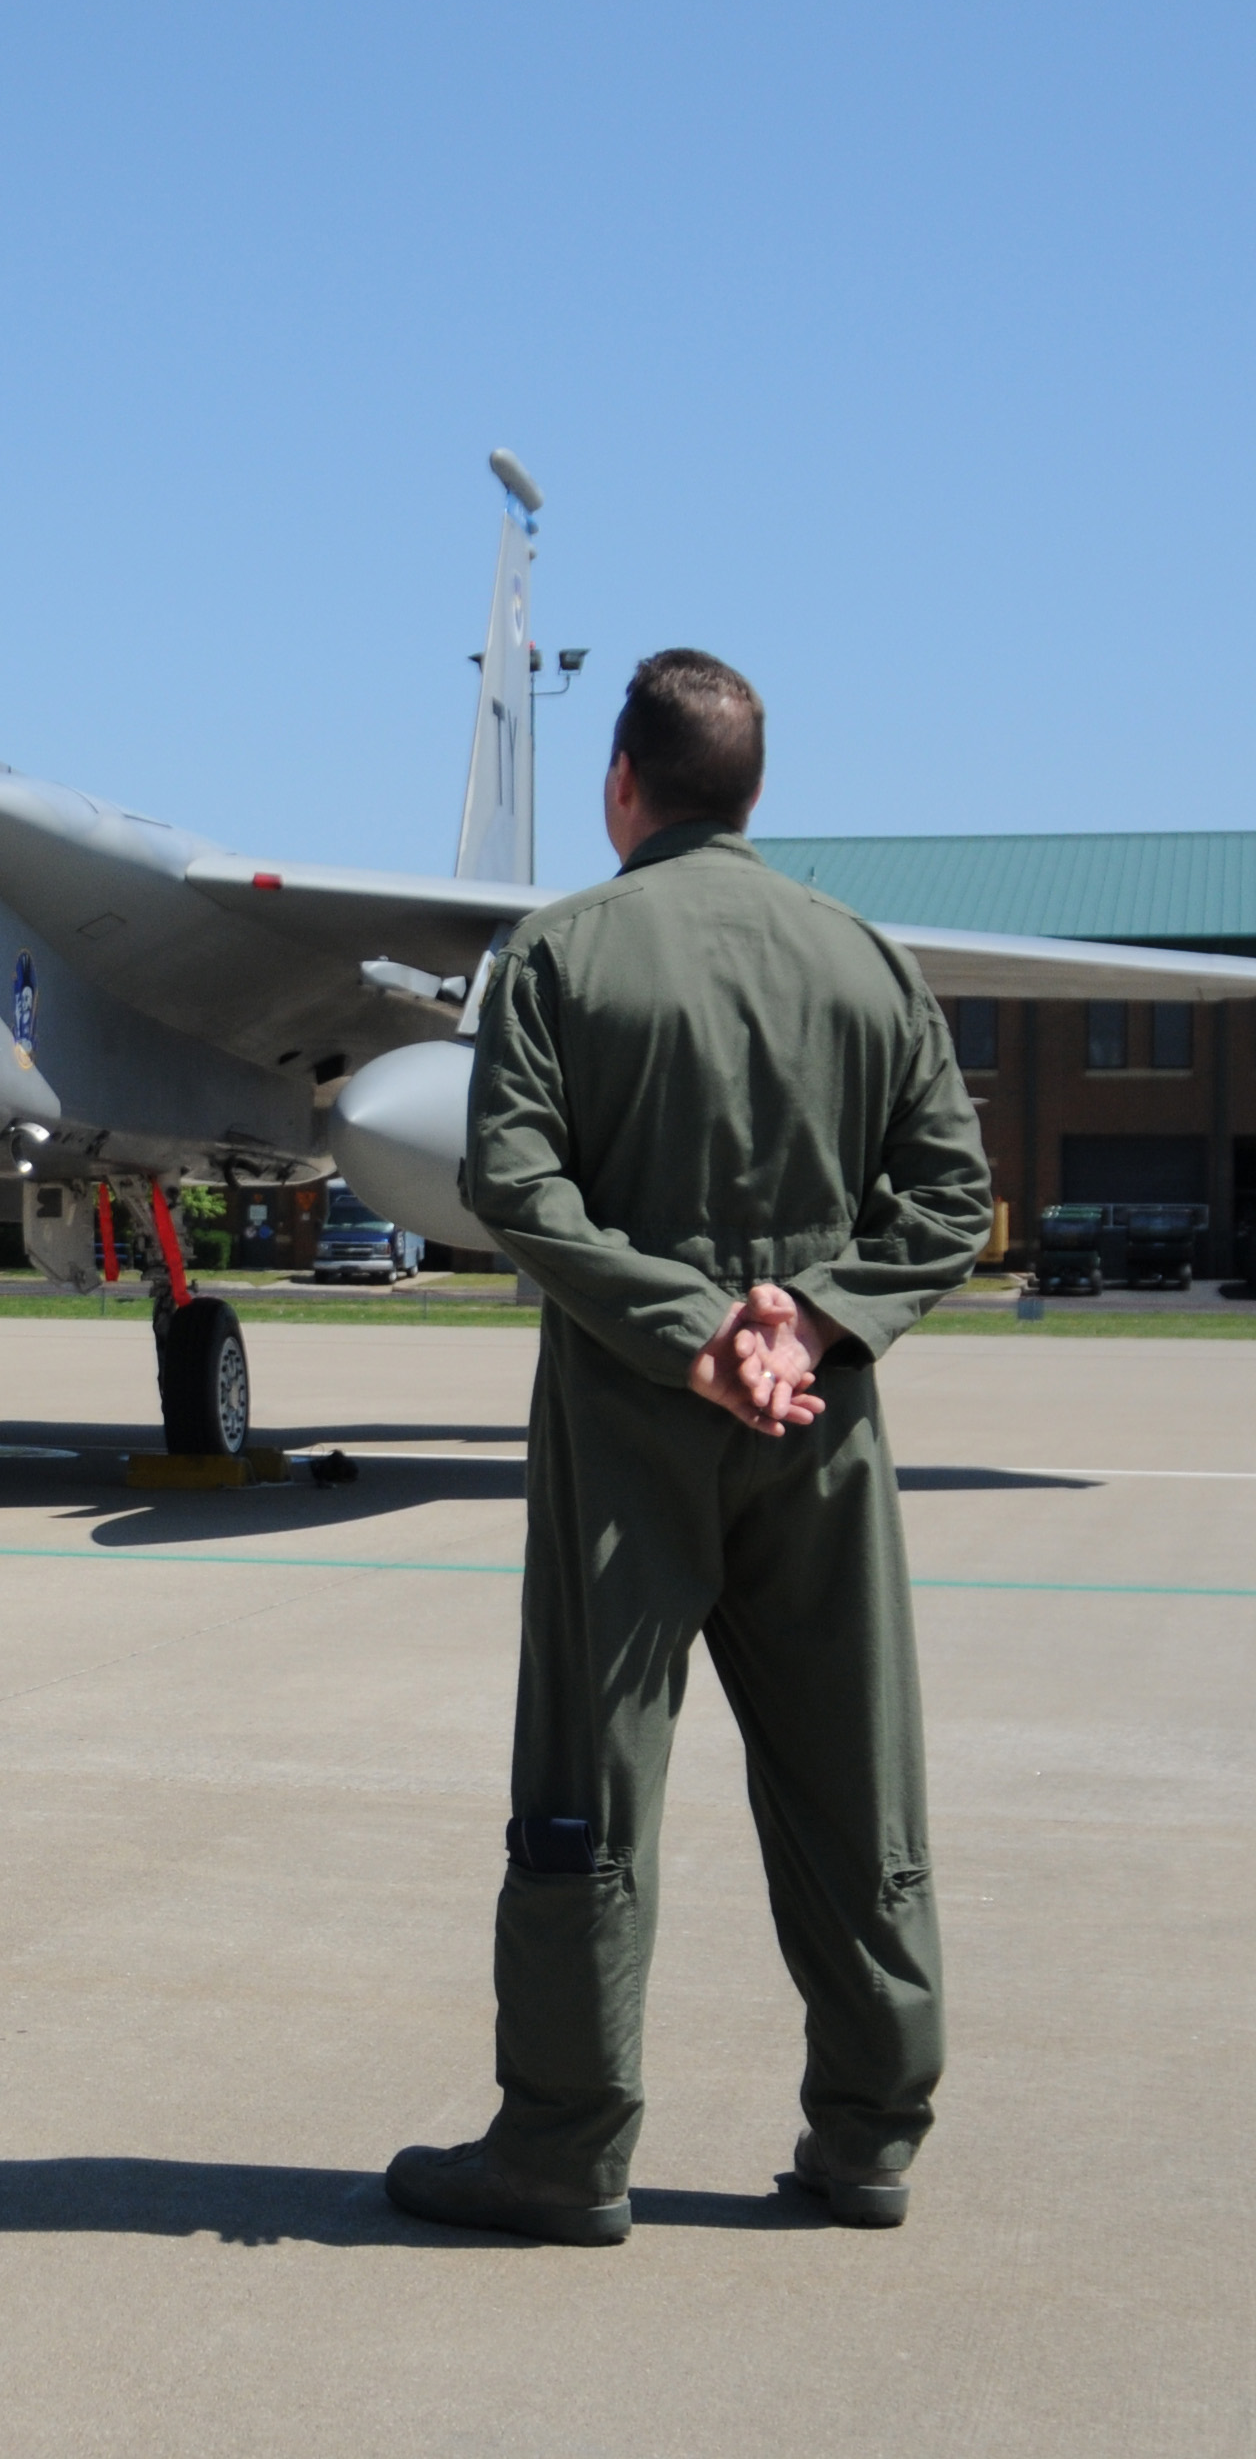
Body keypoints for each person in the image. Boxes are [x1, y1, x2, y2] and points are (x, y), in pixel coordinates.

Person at [386, 649, 990, 2248]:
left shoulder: (562, 956)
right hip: (819, 1425)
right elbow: (948, 1204)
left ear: (621, 785)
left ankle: (564, 2150)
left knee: (591, 1786)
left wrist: (689, 1333)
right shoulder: (866, 963)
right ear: (757, 794)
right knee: (854, 1783)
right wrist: (809, 1324)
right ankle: (870, 2139)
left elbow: (515, 1188)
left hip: (630, 1432)